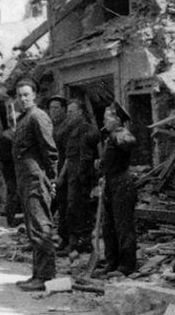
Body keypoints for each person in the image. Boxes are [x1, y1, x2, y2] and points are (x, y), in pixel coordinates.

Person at [11, 79, 58, 292]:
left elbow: (50, 151)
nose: (23, 99)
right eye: (19, 95)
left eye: (26, 95)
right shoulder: (24, 118)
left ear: (35, 96)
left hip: (36, 179)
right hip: (25, 179)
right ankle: (37, 274)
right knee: (33, 229)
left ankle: (46, 276)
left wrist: (53, 179)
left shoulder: (38, 117)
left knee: (41, 227)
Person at [98, 101, 138, 277]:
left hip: (123, 183)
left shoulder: (121, 134)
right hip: (110, 182)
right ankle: (112, 262)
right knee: (109, 227)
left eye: (107, 117)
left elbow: (129, 141)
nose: (104, 121)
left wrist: (118, 134)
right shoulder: (109, 137)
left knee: (123, 226)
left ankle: (127, 266)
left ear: (116, 119)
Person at [61, 99, 101, 254]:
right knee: (72, 208)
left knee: (78, 207)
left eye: (71, 112)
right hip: (72, 173)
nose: (68, 115)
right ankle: (76, 241)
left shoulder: (87, 130)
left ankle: (81, 242)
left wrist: (82, 178)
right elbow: (68, 156)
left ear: (80, 113)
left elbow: (86, 157)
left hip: (81, 175)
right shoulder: (71, 130)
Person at [47, 95, 71, 253]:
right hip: (51, 174)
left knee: (64, 208)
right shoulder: (51, 127)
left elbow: (69, 155)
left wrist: (61, 176)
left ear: (63, 110)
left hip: (64, 174)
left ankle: (65, 241)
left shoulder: (67, 128)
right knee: (48, 208)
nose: (53, 111)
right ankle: (45, 240)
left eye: (56, 108)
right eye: (51, 108)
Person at [0, 109, 22, 228]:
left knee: (17, 193)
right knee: (13, 193)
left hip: (16, 169)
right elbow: (6, 155)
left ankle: (16, 218)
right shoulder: (7, 136)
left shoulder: (16, 134)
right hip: (11, 169)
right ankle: (11, 219)